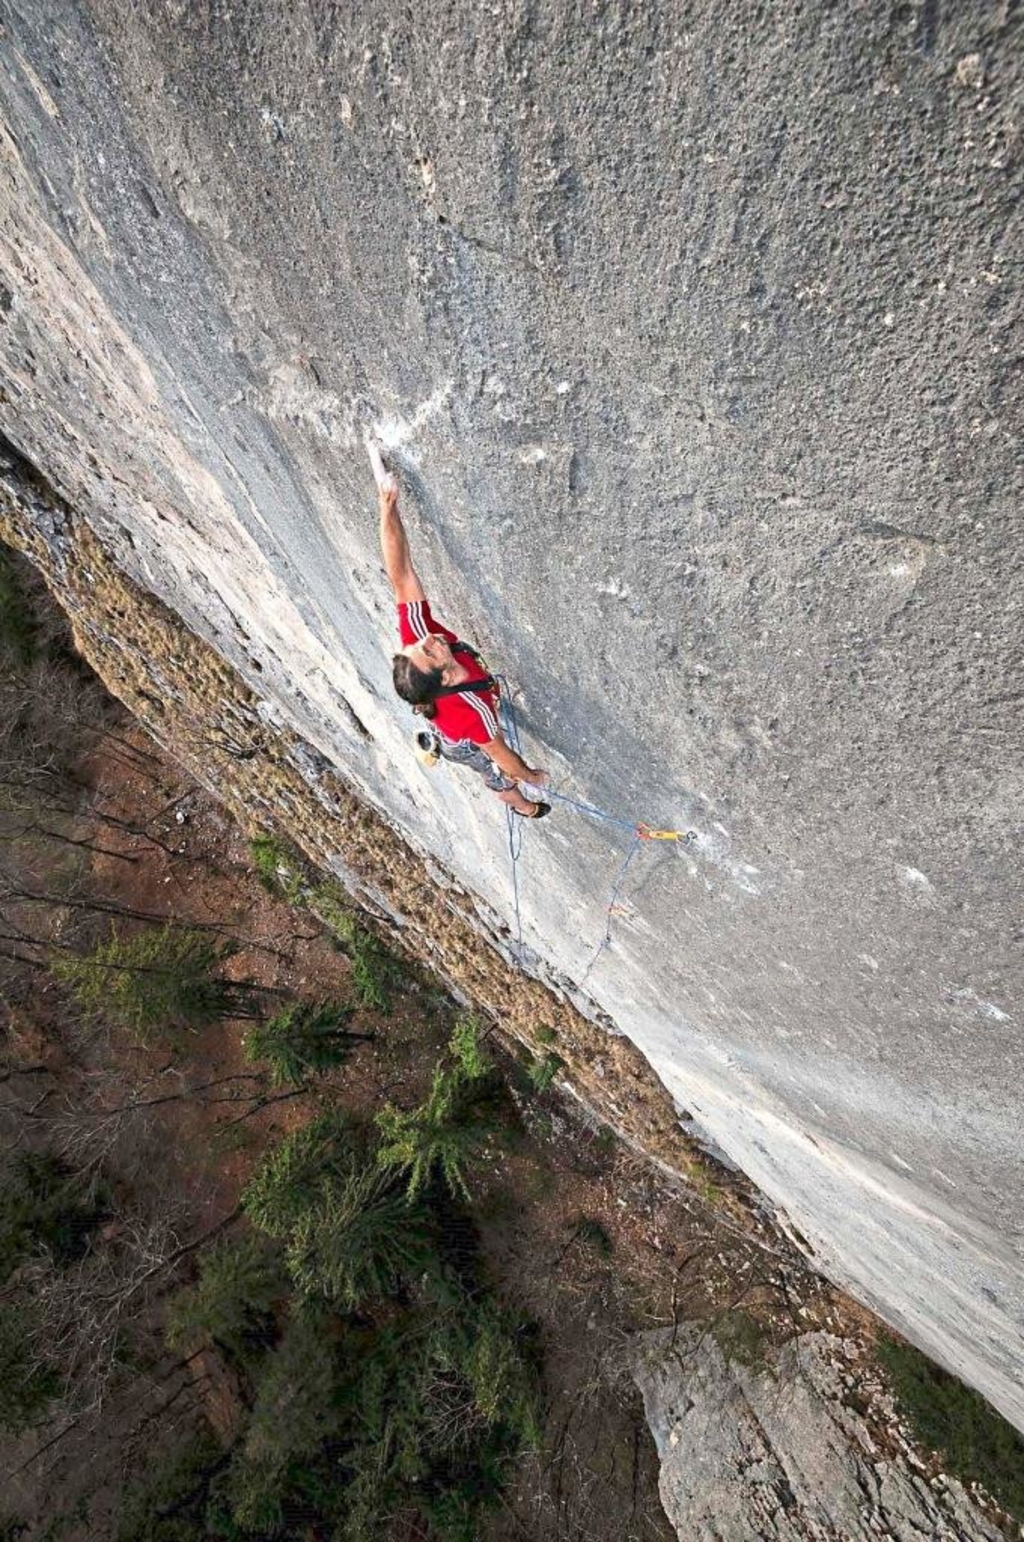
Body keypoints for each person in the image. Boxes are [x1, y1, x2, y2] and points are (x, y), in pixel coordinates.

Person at [370, 443, 550, 819]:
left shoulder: (421, 640)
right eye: (428, 651)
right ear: (447, 676)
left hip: (456, 708)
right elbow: (503, 755)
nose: (429, 639)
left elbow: (400, 574)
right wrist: (531, 775)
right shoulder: (473, 714)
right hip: (459, 742)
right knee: (500, 778)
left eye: (418, 644)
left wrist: (388, 508)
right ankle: (525, 809)